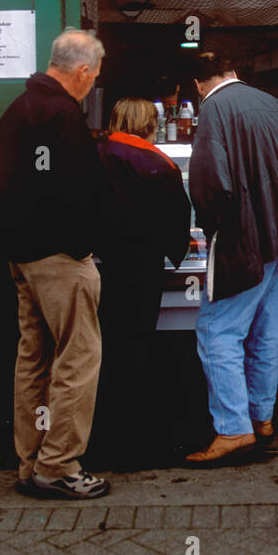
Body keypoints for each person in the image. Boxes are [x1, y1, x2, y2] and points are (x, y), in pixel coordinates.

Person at [0, 29, 110, 499]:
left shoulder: (18, 108)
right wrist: (86, 246)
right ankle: (58, 466)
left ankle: (30, 461)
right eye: (93, 77)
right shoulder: (62, 114)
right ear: (80, 72)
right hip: (59, 257)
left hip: (22, 255)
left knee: (33, 360)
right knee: (79, 358)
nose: (93, 84)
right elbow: (81, 191)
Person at [186, 52, 278, 464]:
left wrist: (210, 227)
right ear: (234, 72)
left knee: (218, 331)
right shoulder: (271, 102)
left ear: (199, 84)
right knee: (264, 329)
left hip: (240, 237)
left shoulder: (213, 108)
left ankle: (233, 429)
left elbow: (208, 182)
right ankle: (262, 419)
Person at [92, 97, 192, 465]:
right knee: (137, 343)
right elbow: (178, 219)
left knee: (100, 345)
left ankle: (99, 433)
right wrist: (177, 251)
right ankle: (133, 437)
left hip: (99, 265)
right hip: (143, 267)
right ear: (151, 124)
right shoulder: (160, 163)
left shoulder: (94, 154)